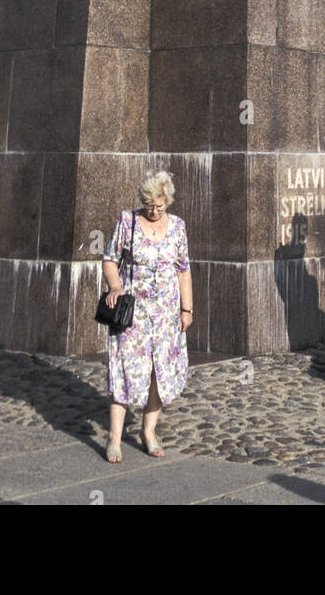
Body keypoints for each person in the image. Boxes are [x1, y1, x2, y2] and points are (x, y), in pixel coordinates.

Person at [101, 170, 192, 462]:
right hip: (132, 314)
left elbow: (183, 269)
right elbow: (110, 259)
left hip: (166, 315)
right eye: (150, 205)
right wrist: (115, 285)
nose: (154, 211)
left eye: (160, 206)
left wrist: (186, 309)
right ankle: (114, 438)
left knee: (160, 372)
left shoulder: (178, 227)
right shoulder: (127, 222)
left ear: (168, 202)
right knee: (124, 370)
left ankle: (148, 432)